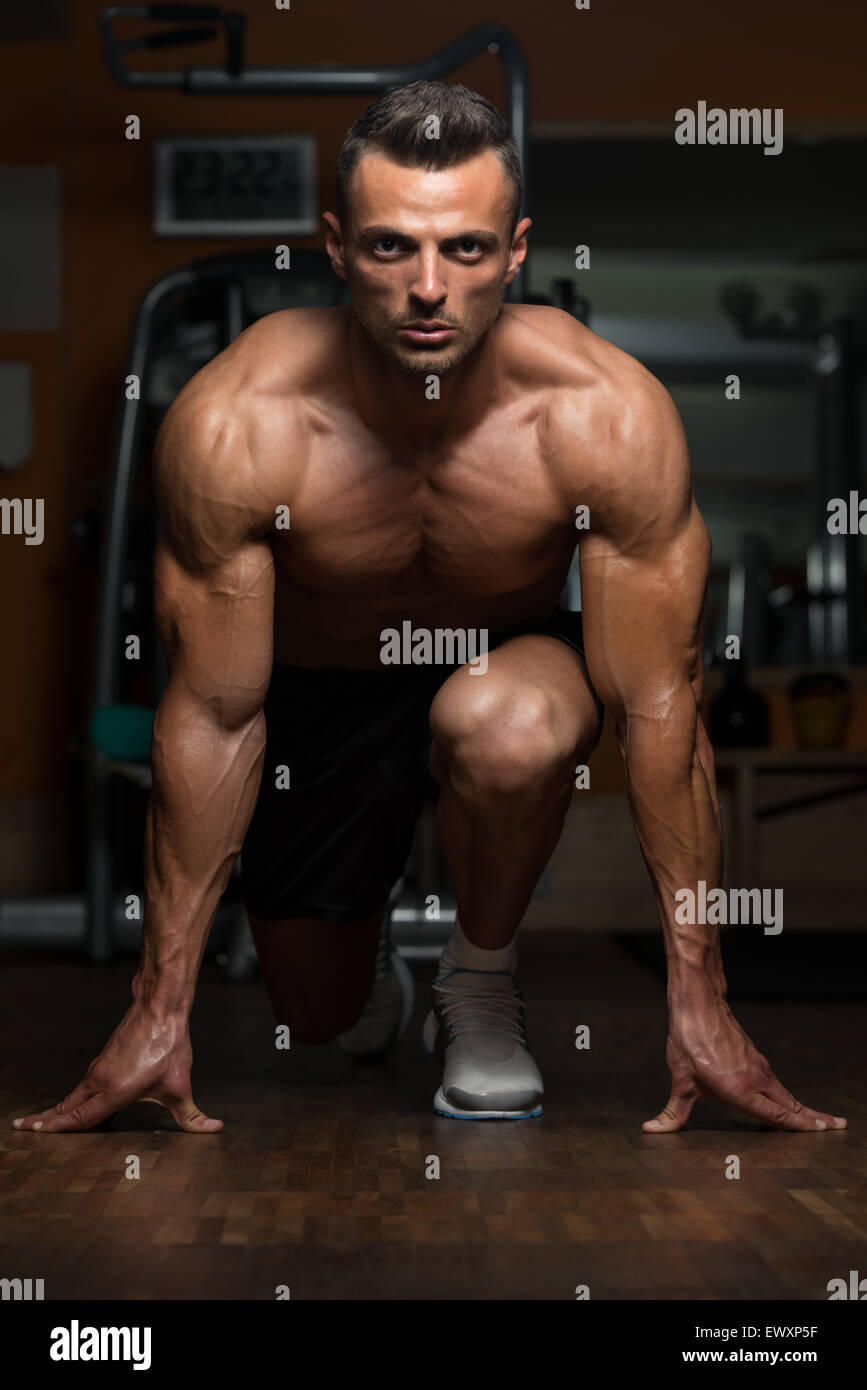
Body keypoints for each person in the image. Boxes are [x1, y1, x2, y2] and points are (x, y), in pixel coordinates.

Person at [13, 80, 846, 1134]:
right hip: (314, 701)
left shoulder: (604, 416)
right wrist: (154, 1007)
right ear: (334, 247)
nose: (428, 288)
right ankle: (368, 989)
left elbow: (660, 709)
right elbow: (216, 712)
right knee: (314, 1016)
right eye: (390, 248)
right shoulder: (240, 424)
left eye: (464, 249)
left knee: (515, 733)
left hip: (503, 664)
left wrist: (703, 1001)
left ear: (515, 249)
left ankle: (482, 987)